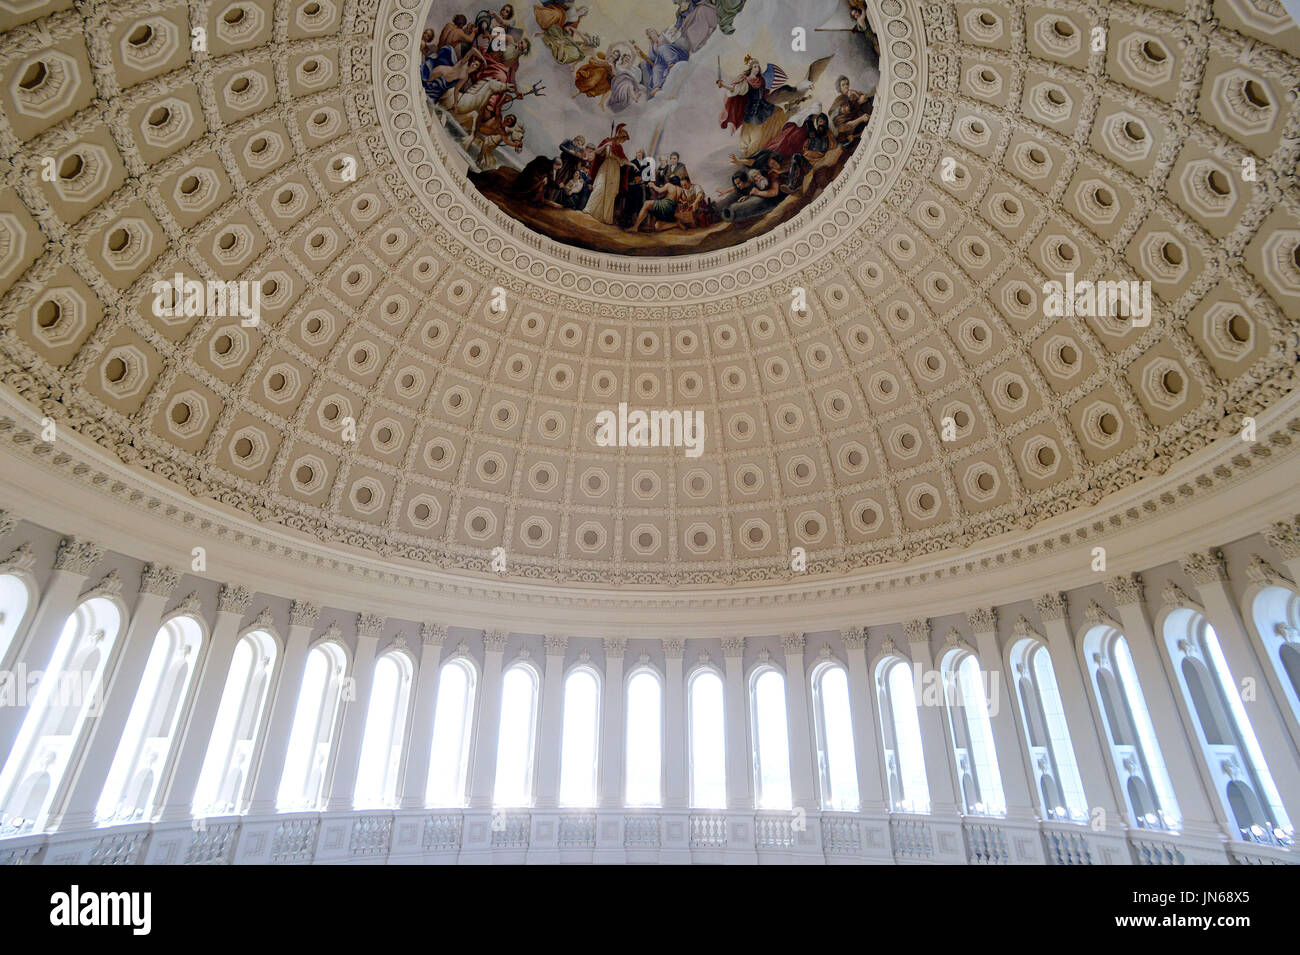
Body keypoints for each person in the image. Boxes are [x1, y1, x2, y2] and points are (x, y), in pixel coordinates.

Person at [583, 123, 630, 224]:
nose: (623, 141)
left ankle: (605, 217)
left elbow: (623, 160)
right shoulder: (607, 141)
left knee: (610, 192)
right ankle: (590, 210)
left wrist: (627, 163)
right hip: (605, 167)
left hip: (615, 171)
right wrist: (605, 145)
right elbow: (597, 152)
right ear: (619, 136)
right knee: (599, 187)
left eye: (624, 139)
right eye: (623, 138)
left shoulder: (620, 148)